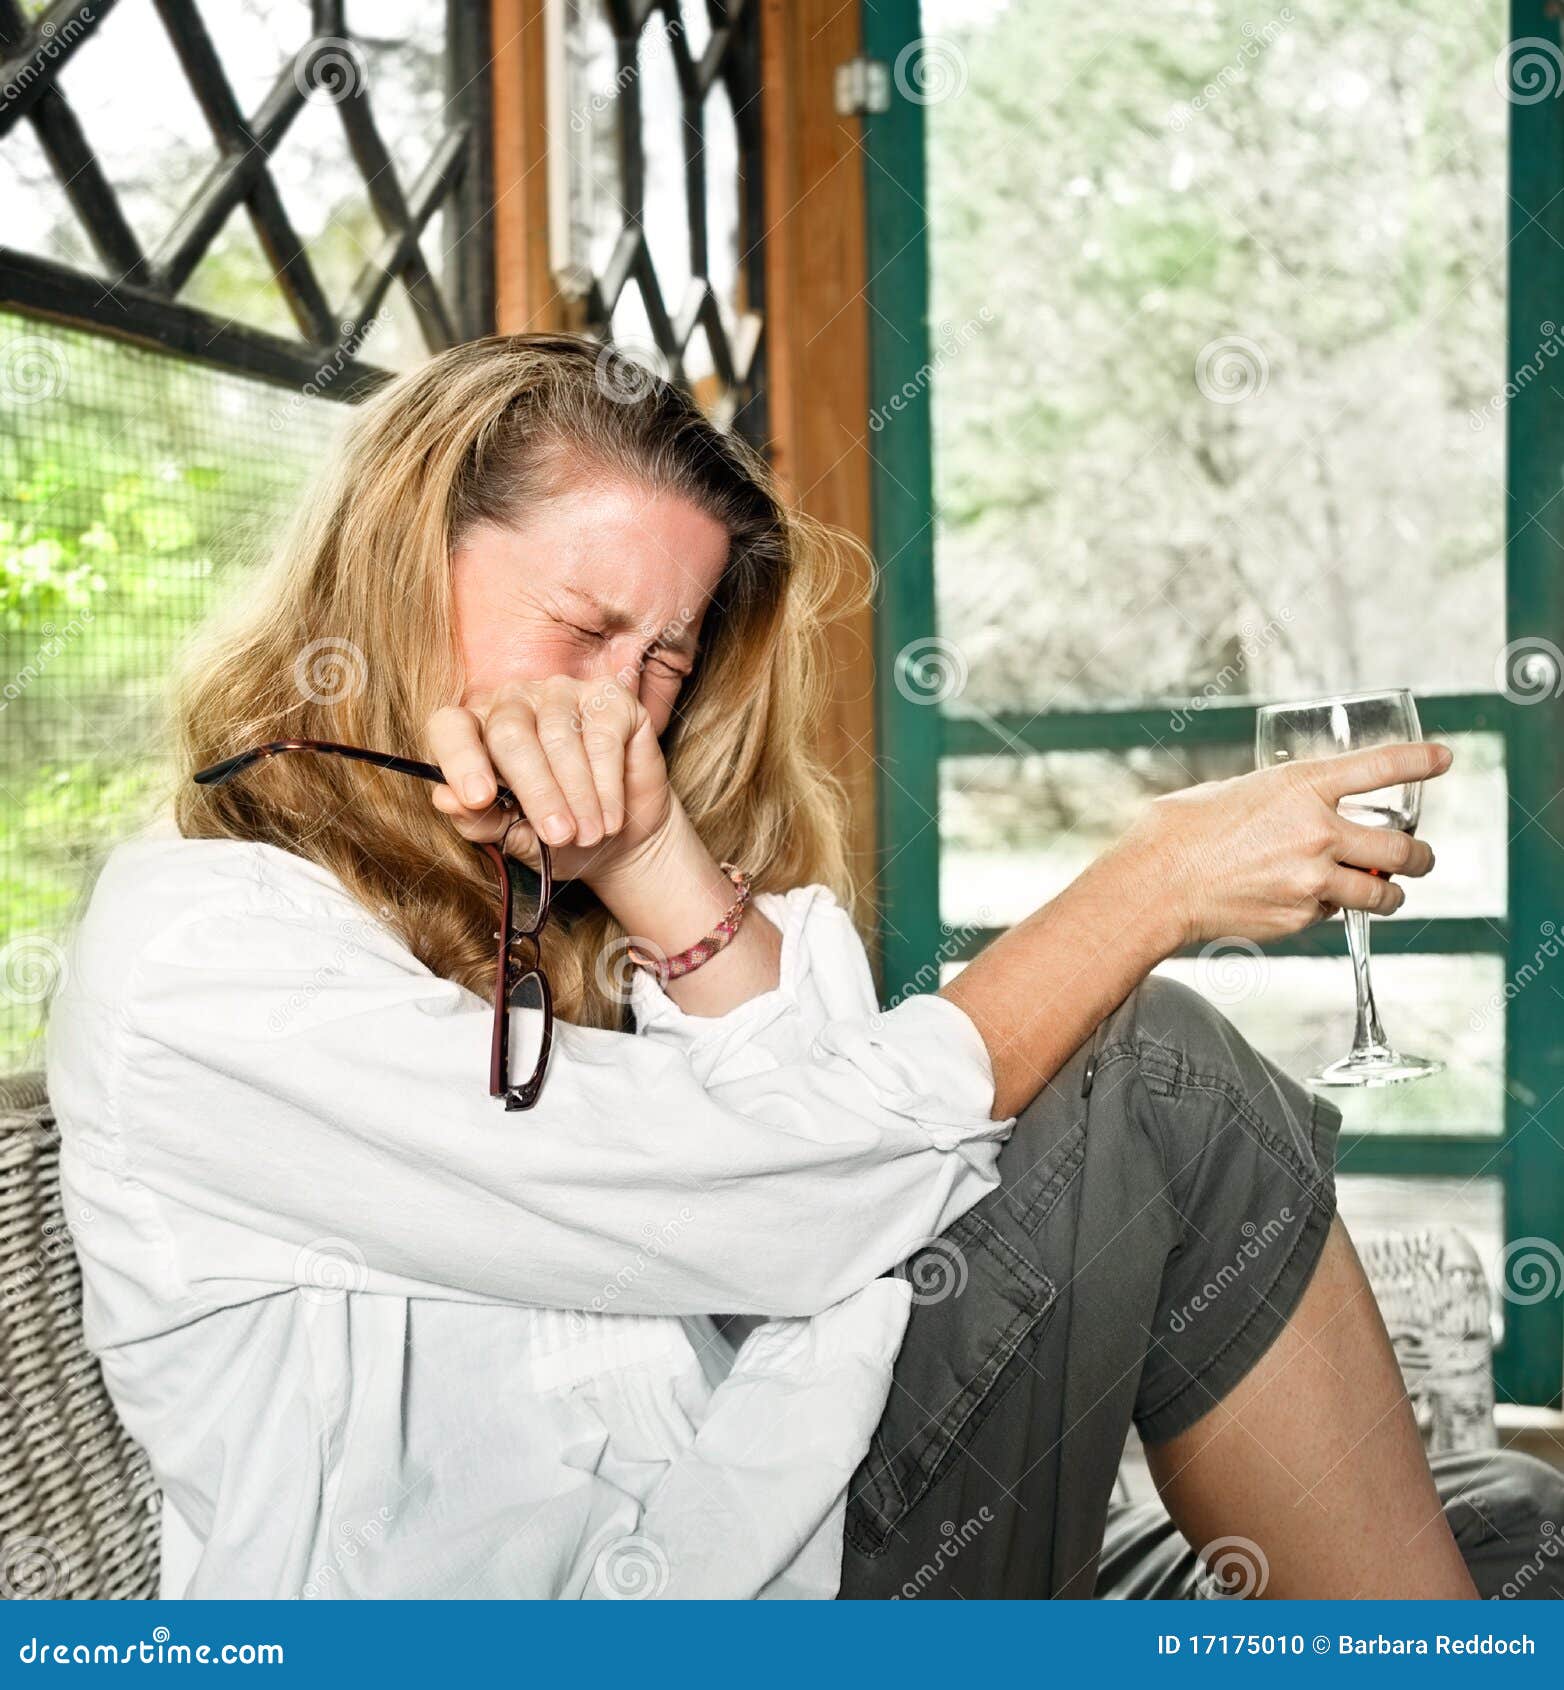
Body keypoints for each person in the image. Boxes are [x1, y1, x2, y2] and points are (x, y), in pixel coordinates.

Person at [45, 334, 1563, 1600]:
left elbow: (862, 1174)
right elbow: (812, 1206)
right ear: (389, 569)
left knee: (1510, 1512)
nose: (627, 703)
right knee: (1158, 1065)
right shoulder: (206, 959)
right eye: (582, 625)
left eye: (664, 659)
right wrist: (1143, 886)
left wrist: (645, 853)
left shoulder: (544, 916)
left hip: (771, 1514)